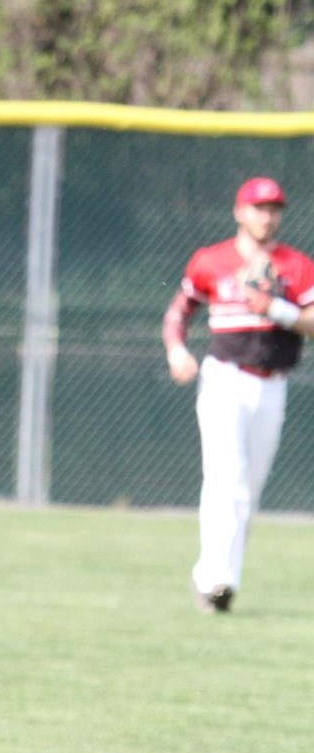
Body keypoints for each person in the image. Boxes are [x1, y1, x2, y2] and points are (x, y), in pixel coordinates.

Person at [163, 176, 314, 613]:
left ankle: (216, 580)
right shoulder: (211, 260)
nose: (267, 216)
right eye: (258, 207)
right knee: (226, 477)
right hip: (225, 377)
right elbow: (179, 310)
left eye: (274, 209)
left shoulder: (297, 266)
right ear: (239, 211)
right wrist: (176, 351)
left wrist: (279, 309)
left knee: (248, 488)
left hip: (273, 383)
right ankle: (217, 579)